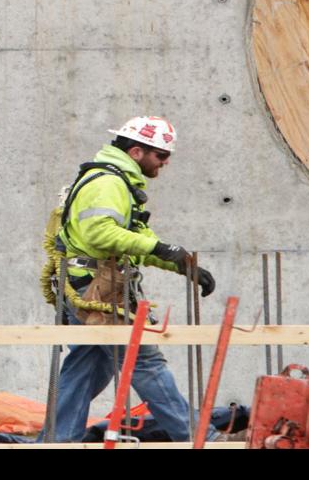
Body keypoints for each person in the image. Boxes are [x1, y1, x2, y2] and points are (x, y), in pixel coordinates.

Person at [44, 116, 217, 443]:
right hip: (96, 291)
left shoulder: (117, 182)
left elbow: (136, 240)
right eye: (161, 155)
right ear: (136, 151)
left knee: (88, 366)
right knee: (143, 360)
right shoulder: (107, 184)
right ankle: (199, 438)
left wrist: (181, 265)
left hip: (91, 285)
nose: (165, 163)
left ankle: (57, 441)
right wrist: (162, 249)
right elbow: (100, 233)